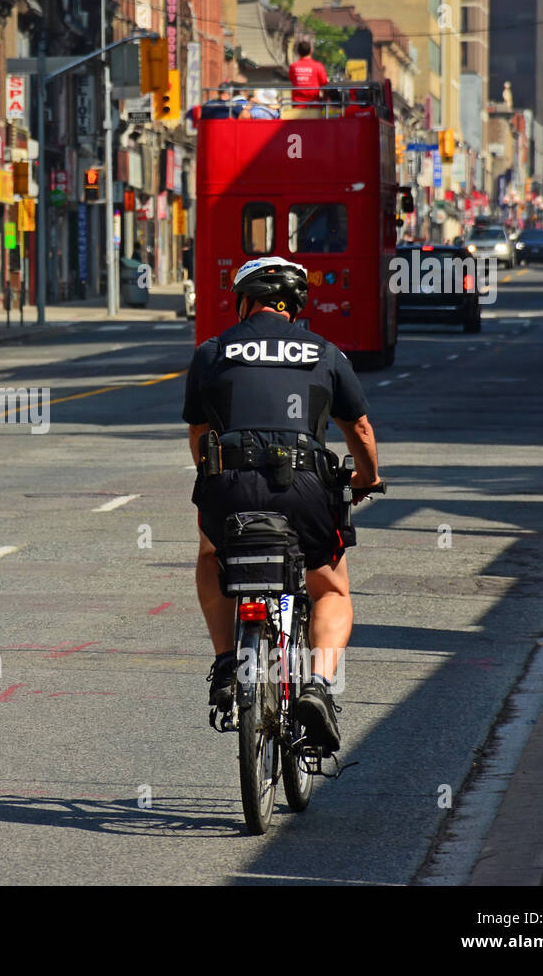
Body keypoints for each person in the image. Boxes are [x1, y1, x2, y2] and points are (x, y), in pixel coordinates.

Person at [182, 256, 381, 754]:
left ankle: (228, 662)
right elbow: (357, 428)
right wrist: (368, 478)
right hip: (307, 486)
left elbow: (199, 432)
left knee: (211, 555)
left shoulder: (212, 350)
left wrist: (213, 479)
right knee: (331, 588)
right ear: (294, 306)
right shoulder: (325, 351)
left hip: (229, 485)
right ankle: (315, 686)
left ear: (244, 302)